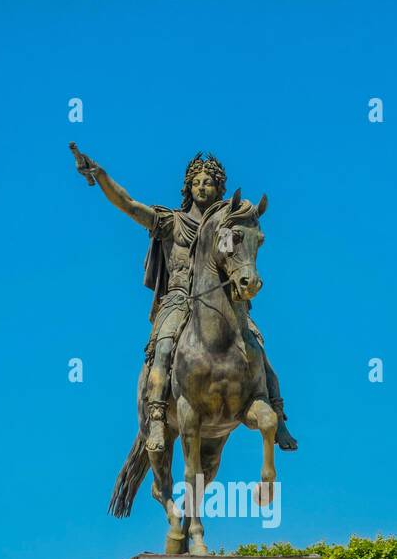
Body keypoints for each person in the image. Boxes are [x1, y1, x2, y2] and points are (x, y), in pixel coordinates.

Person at [70, 146, 298, 456]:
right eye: (197, 182)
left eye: (209, 182)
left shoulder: (225, 228)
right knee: (163, 346)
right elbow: (127, 204)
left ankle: (278, 414)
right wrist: (101, 176)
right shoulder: (170, 222)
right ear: (188, 187)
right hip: (178, 298)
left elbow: (238, 257)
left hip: (223, 304)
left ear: (219, 188)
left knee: (257, 344)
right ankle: (156, 416)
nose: (203, 187)